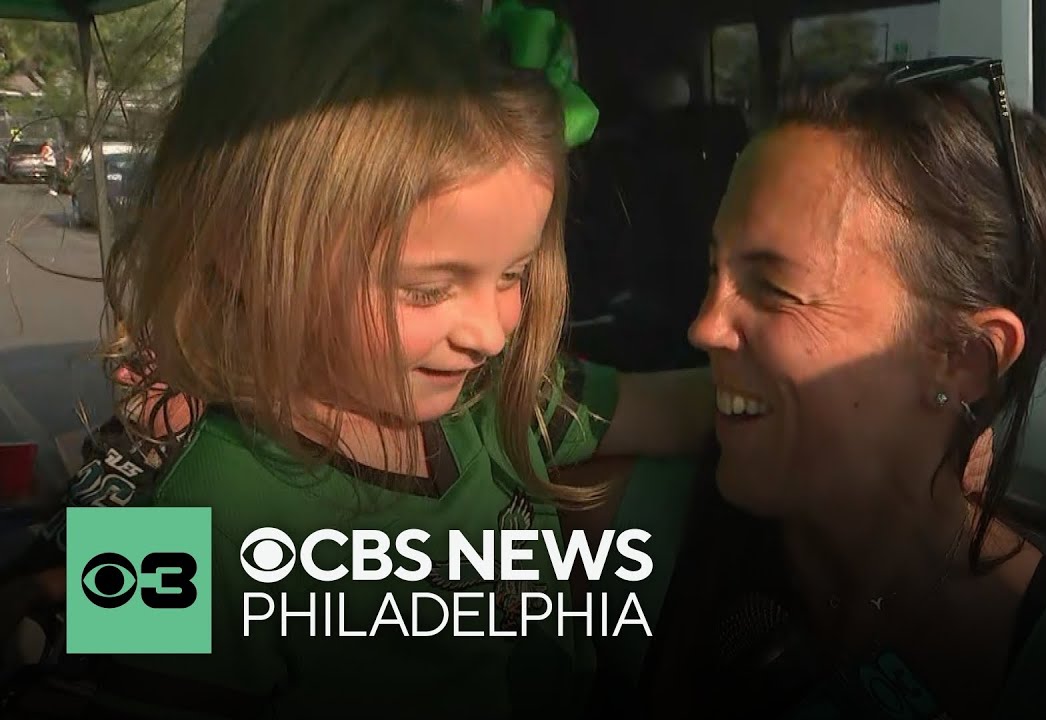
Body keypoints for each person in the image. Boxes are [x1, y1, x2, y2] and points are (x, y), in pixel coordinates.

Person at [0, 1, 714, 718]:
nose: (491, 335)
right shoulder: (193, 517)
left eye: (513, 275)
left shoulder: (504, 397)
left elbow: (688, 408)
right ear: (246, 256)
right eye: (427, 289)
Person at [677, 62, 1046, 719]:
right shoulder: (648, 541)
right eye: (713, 269)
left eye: (775, 289)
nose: (704, 326)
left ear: (964, 358)